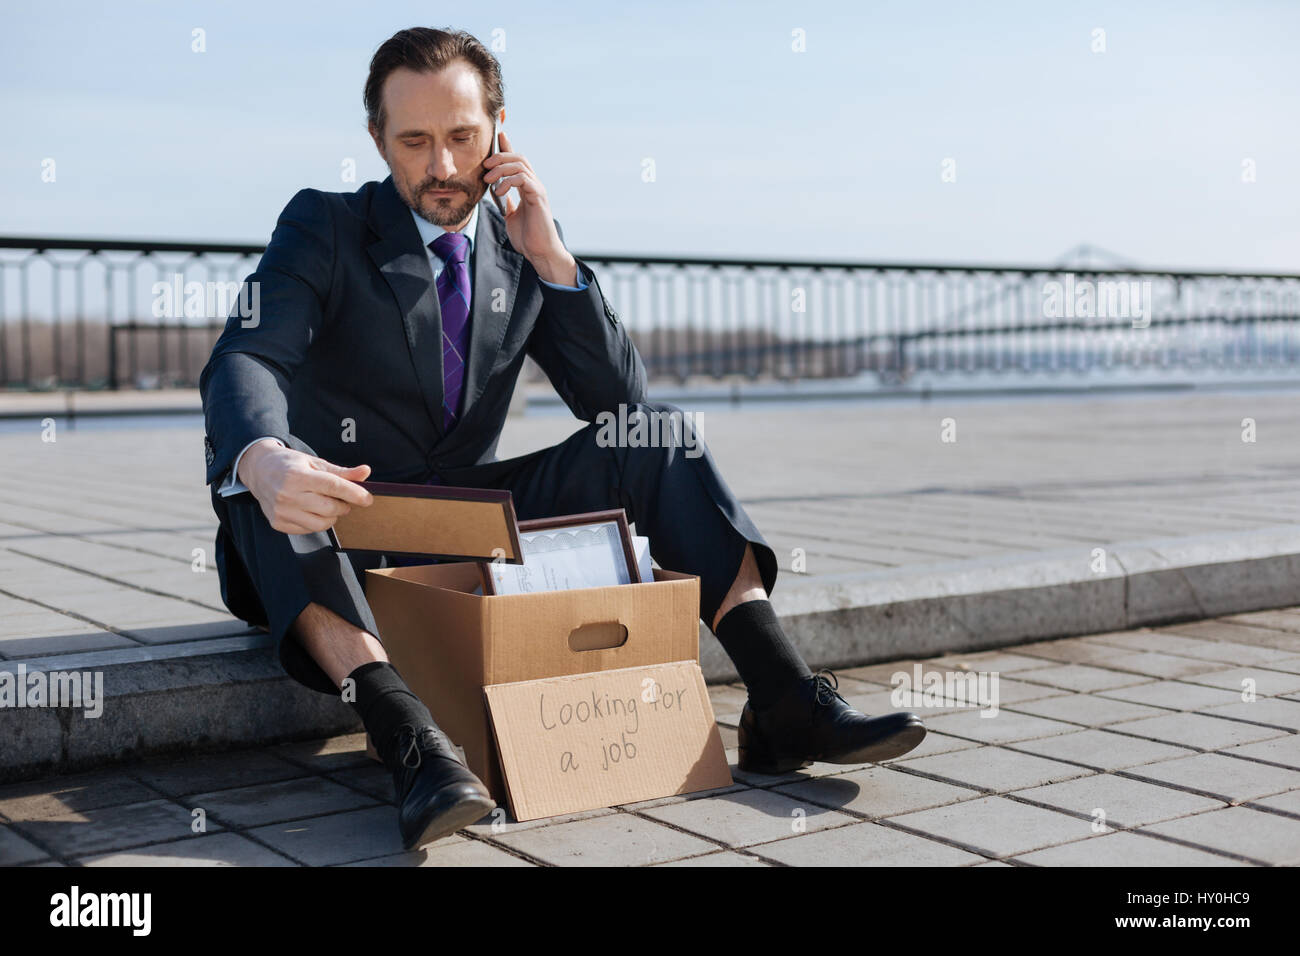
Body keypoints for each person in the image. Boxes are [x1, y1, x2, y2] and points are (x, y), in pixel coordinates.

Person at [199, 26, 927, 852]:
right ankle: (412, 744)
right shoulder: (324, 226)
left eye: (461, 137)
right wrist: (264, 455)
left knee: (655, 437)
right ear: (377, 141)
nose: (440, 165)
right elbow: (247, 357)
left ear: (499, 131)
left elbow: (617, 402)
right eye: (414, 141)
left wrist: (552, 258)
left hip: (461, 522)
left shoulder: (517, 246)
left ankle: (786, 700)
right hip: (341, 522)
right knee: (265, 479)